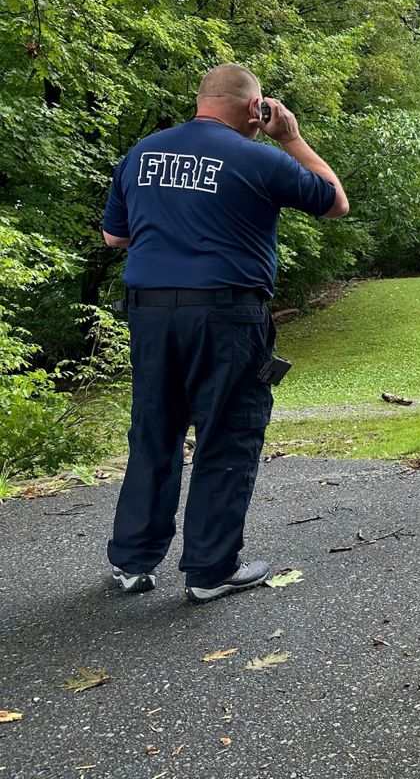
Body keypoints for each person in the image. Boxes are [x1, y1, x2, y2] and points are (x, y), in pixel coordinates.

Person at [101, 63, 349, 603]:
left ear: (202, 100)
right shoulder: (258, 157)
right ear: (255, 108)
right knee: (228, 432)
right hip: (226, 314)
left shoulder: (141, 154)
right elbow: (334, 201)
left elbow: (115, 238)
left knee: (153, 430)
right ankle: (210, 570)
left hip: (149, 314)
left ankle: (132, 562)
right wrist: (292, 137)